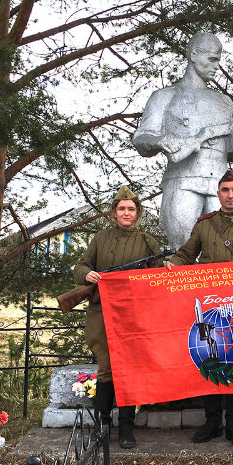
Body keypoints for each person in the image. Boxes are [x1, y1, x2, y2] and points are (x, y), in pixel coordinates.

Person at [166, 169, 233, 447]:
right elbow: (186, 255)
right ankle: (212, 421)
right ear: (218, 194)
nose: (230, 195)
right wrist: (173, 265)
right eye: (225, 190)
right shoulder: (204, 225)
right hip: (212, 308)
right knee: (209, 358)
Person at [132, 32, 233, 250]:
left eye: (218, 60)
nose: (217, 66)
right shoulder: (165, 96)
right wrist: (161, 140)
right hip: (182, 181)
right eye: (212, 59)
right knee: (180, 250)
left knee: (223, 252)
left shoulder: (224, 102)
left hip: (220, 185)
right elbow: (142, 138)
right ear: (194, 54)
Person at [72, 186, 162, 448]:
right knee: (106, 367)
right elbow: (81, 265)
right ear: (114, 212)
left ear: (138, 213)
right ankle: (102, 426)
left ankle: (126, 428)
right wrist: (87, 275)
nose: (126, 213)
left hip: (133, 313)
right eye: (121, 208)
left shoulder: (148, 242)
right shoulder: (100, 239)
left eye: (131, 209)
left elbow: (158, 279)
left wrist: (167, 270)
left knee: (129, 370)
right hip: (102, 311)